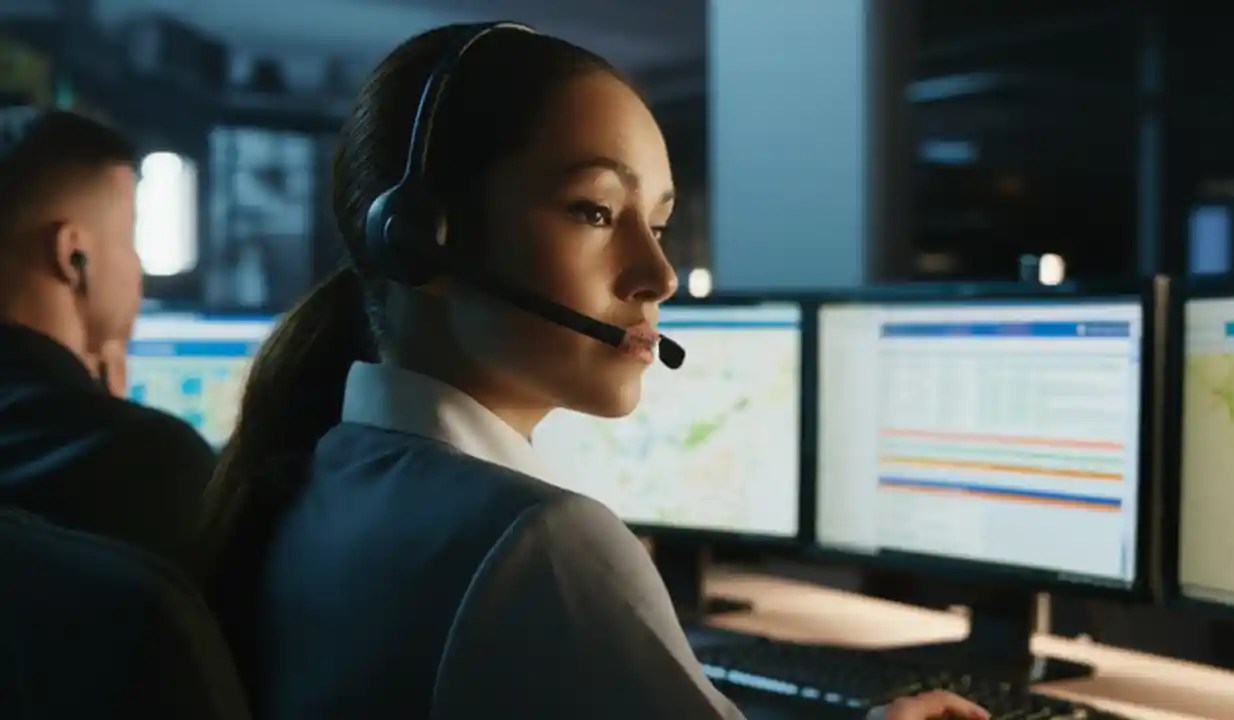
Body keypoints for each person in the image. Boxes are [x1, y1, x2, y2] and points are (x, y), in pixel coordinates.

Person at [201, 24, 988, 720]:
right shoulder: (538, 542)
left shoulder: (312, 477)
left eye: (660, 223)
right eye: (596, 212)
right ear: (424, 241)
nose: (660, 274)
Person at [0, 109, 216, 579]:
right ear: (71, 255)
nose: (136, 271)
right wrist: (113, 418)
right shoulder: (152, 464)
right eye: (129, 238)